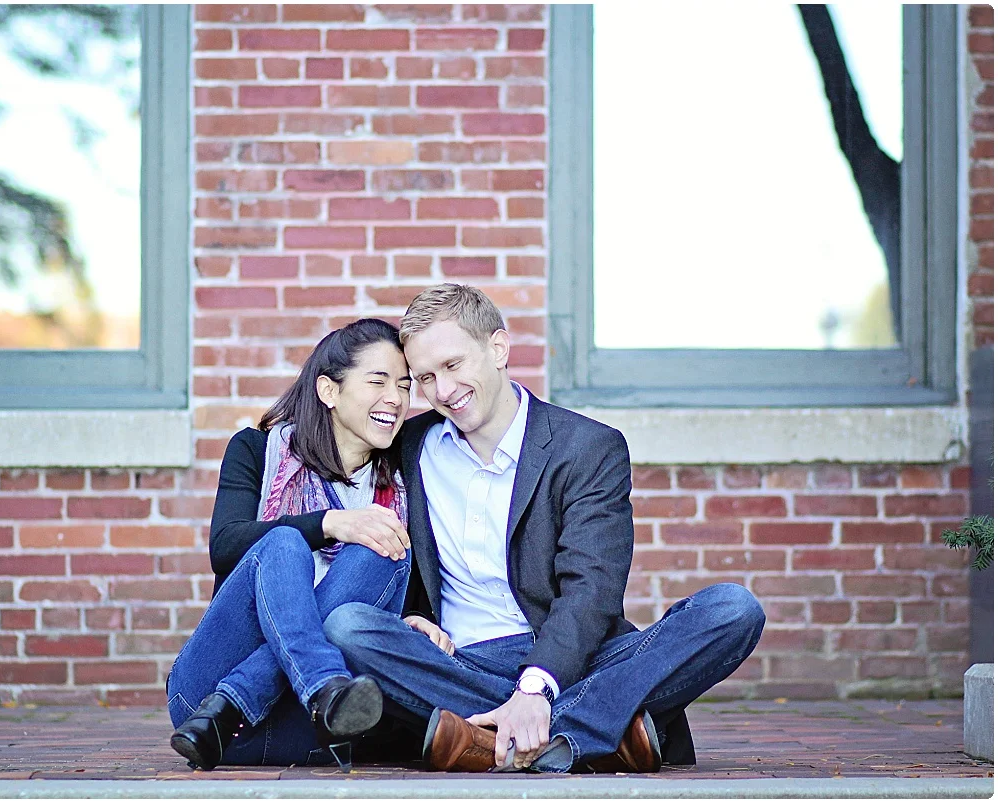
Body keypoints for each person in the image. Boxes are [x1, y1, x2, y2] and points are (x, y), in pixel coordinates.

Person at [323, 284, 765, 773]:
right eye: (425, 378)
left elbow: (591, 590)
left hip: (575, 657)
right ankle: (589, 735)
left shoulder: (587, 447)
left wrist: (537, 687)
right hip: (461, 662)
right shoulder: (410, 444)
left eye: (453, 366)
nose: (442, 391)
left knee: (731, 610)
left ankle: (492, 738)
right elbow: (324, 445)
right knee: (348, 627)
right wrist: (410, 616)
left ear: (498, 348)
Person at [166, 318, 414, 771]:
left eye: (404, 385)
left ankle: (251, 700)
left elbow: (401, 590)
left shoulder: (400, 483)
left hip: (292, 728)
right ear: (329, 391)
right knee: (282, 543)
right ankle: (323, 686)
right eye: (378, 382)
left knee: (384, 540)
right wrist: (331, 523)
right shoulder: (256, 451)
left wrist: (419, 618)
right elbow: (225, 545)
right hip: (200, 700)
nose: (395, 399)